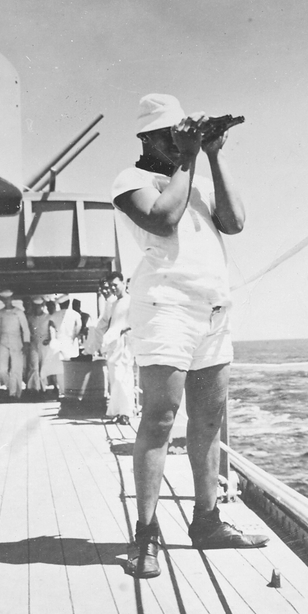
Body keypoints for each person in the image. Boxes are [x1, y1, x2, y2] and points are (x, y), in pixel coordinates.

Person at [112, 92, 268, 579]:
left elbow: (235, 222)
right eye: (171, 136)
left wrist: (213, 153)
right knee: (159, 419)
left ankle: (207, 521)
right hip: (165, 309)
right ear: (148, 139)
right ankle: (145, 533)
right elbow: (161, 218)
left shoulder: (196, 176)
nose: (180, 142)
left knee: (208, 419)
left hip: (211, 310)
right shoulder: (131, 180)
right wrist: (189, 156)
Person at [93, 271, 135, 424]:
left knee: (124, 377)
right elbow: (106, 324)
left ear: (123, 283)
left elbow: (135, 322)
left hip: (125, 344)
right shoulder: (113, 303)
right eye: (110, 286)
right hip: (113, 344)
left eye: (115, 285)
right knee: (115, 378)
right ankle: (118, 411)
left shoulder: (131, 301)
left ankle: (126, 413)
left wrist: (124, 330)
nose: (113, 289)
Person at [0, 289, 30, 400]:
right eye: (4, 299)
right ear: (2, 300)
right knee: (2, 368)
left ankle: (14, 394)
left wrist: (26, 342)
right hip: (3, 341)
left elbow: (25, 329)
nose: (6, 301)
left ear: (12, 299)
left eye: (8, 299)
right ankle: (10, 387)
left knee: (16, 368)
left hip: (16, 340)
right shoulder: (0, 313)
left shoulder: (18, 312)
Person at [26, 296, 59, 396]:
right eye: (35, 306)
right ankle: (34, 388)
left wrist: (50, 339)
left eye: (39, 306)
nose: (37, 308)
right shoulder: (30, 318)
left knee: (44, 366)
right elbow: (27, 331)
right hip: (34, 343)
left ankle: (43, 387)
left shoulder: (48, 317)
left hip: (45, 343)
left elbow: (52, 329)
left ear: (43, 306)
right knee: (34, 366)